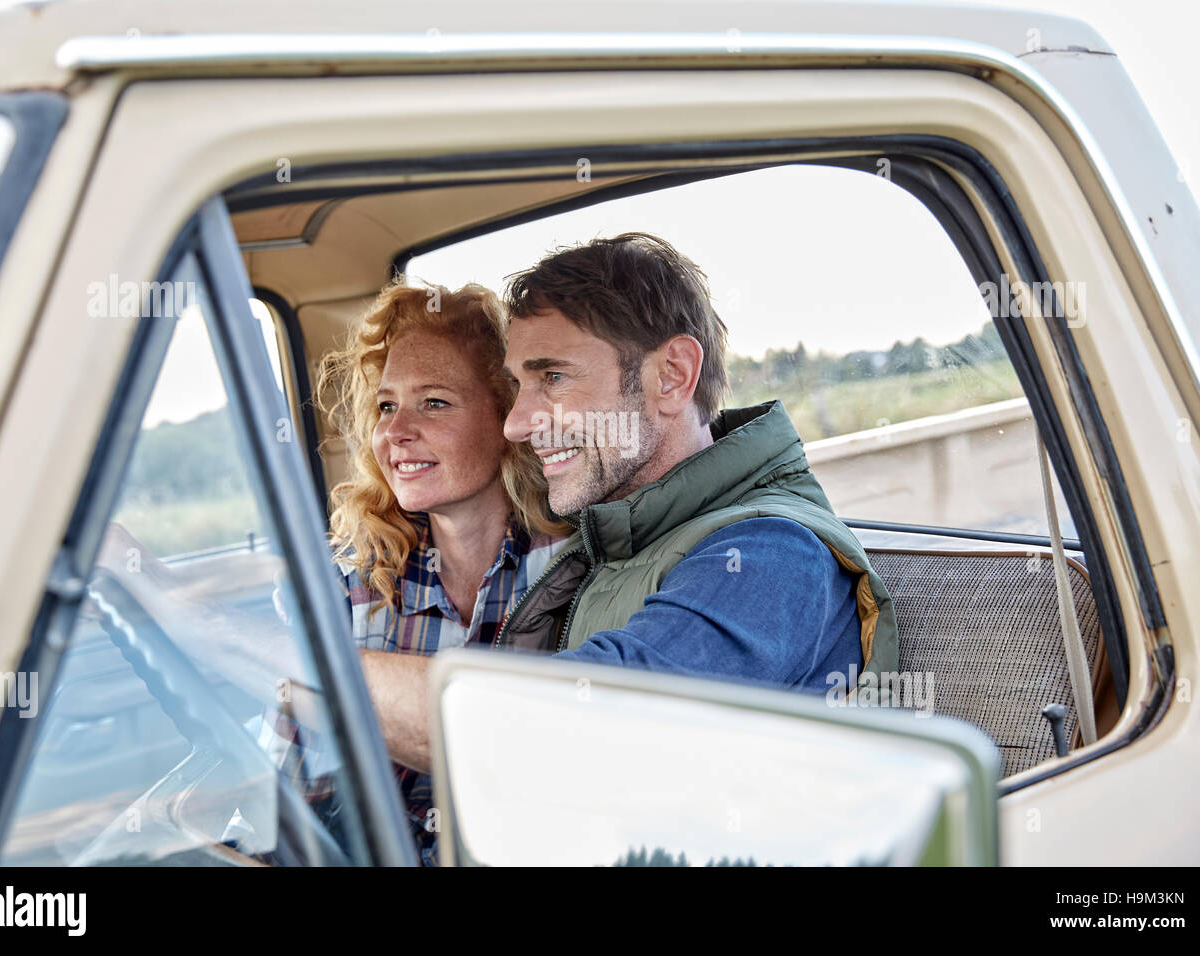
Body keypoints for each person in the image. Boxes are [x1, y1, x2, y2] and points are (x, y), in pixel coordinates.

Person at [359, 233, 898, 775]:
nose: (517, 424)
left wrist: (311, 663)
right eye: (519, 385)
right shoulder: (618, 542)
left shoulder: (769, 554)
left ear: (671, 376)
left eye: (553, 377)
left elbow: (565, 731)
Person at [313, 280, 569, 860]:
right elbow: (293, 784)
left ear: (506, 417)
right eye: (385, 405)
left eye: (434, 402)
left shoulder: (572, 571)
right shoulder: (358, 583)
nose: (395, 432)